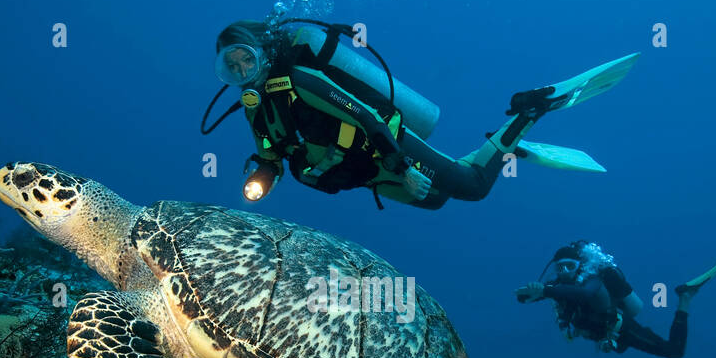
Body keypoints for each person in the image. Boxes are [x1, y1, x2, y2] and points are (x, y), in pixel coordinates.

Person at [202, 19, 638, 210]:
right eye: (230, 67)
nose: (242, 71)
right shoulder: (254, 105)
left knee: (471, 187)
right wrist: (262, 174)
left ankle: (530, 109)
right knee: (435, 202)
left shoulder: (299, 79)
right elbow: (271, 152)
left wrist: (403, 167)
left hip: (384, 146)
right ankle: (507, 148)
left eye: (245, 58)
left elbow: (368, 119)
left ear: (259, 50)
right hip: (356, 170)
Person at [515, 241, 716, 358]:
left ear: (581, 266)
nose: (565, 271)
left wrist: (544, 291)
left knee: (674, 351)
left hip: (620, 329)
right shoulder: (557, 286)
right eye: (560, 267)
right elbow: (523, 299)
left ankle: (685, 298)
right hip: (605, 336)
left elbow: (585, 294)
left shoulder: (593, 279)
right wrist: (530, 292)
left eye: (570, 265)